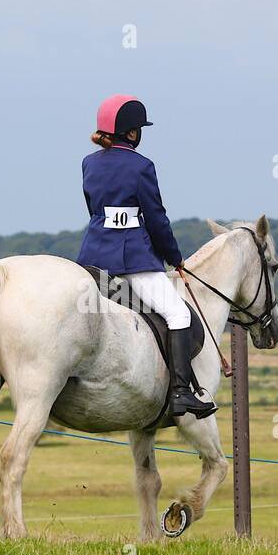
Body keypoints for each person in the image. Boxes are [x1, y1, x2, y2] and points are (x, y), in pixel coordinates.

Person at [76, 94, 216, 420]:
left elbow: (93, 210)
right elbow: (155, 219)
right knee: (178, 315)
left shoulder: (88, 163)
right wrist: (173, 257)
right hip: (132, 260)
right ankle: (182, 392)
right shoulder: (142, 167)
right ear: (132, 133)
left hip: (93, 258)